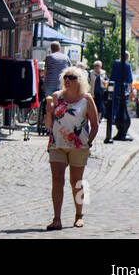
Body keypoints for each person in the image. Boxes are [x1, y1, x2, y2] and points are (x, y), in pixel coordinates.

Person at [43, 65, 100, 230]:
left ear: (80, 81)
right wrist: (48, 112)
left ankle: (79, 215)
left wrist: (88, 143)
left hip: (78, 146)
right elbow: (48, 125)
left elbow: (95, 124)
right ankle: (57, 219)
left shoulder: (86, 99)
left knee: (77, 182)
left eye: (72, 77)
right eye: (65, 77)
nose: (67, 80)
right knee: (57, 180)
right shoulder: (56, 97)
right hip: (57, 144)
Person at [105, 52, 134, 142]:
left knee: (114, 104)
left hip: (115, 87)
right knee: (123, 105)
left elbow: (112, 76)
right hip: (123, 88)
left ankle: (113, 118)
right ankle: (120, 122)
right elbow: (130, 79)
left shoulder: (116, 63)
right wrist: (131, 91)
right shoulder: (127, 65)